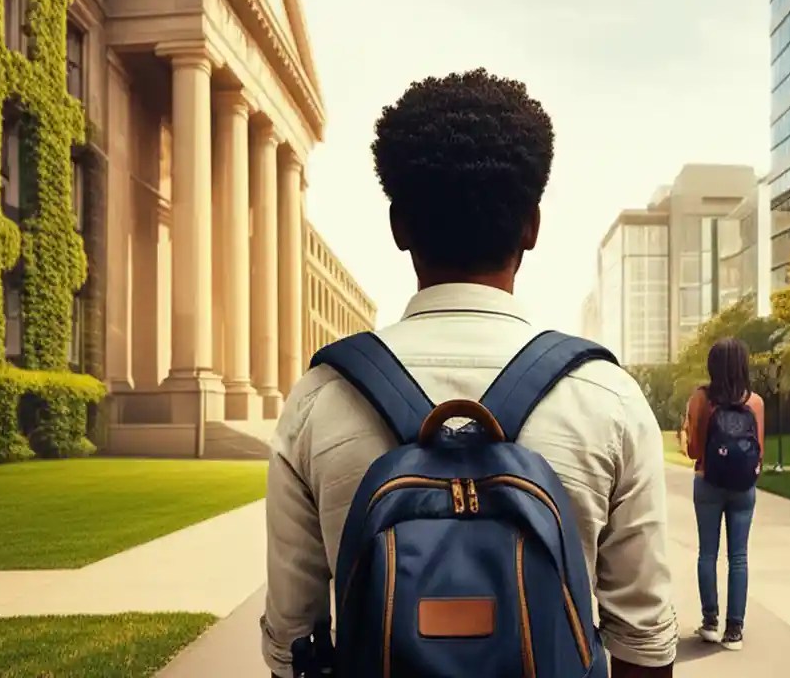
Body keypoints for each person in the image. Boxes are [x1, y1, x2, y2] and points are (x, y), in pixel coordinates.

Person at [261, 68, 679, 678]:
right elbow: (644, 647)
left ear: (399, 226)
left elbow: (292, 644)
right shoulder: (606, 397)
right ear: (531, 227)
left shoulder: (319, 400)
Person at [683, 338, 764, 651]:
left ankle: (711, 622)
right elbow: (760, 454)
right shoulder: (755, 402)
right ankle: (735, 630)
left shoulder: (702, 399)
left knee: (708, 553)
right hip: (744, 488)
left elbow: (693, 452)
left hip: (708, 483)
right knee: (739, 557)